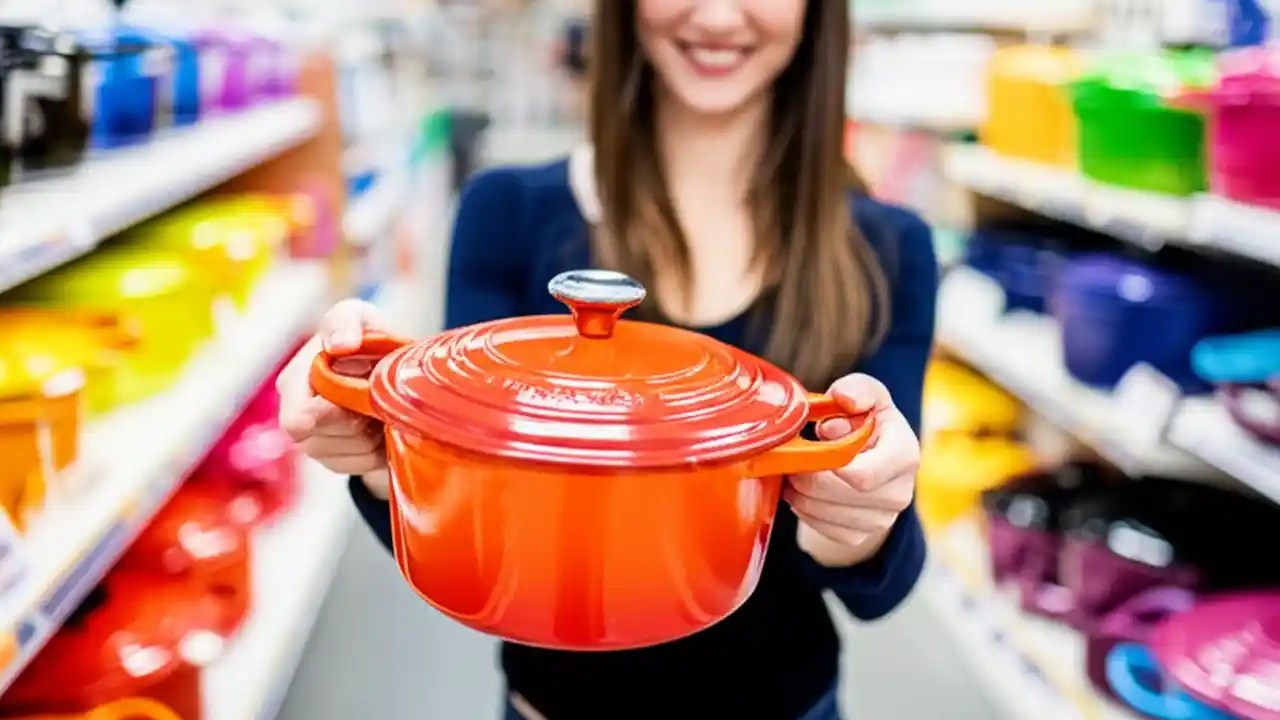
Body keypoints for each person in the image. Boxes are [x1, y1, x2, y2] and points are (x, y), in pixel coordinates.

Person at [277, 1, 937, 718]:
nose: (717, 17)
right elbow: (473, 539)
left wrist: (863, 511)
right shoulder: (508, 211)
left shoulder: (889, 248)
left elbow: (884, 590)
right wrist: (385, 451)